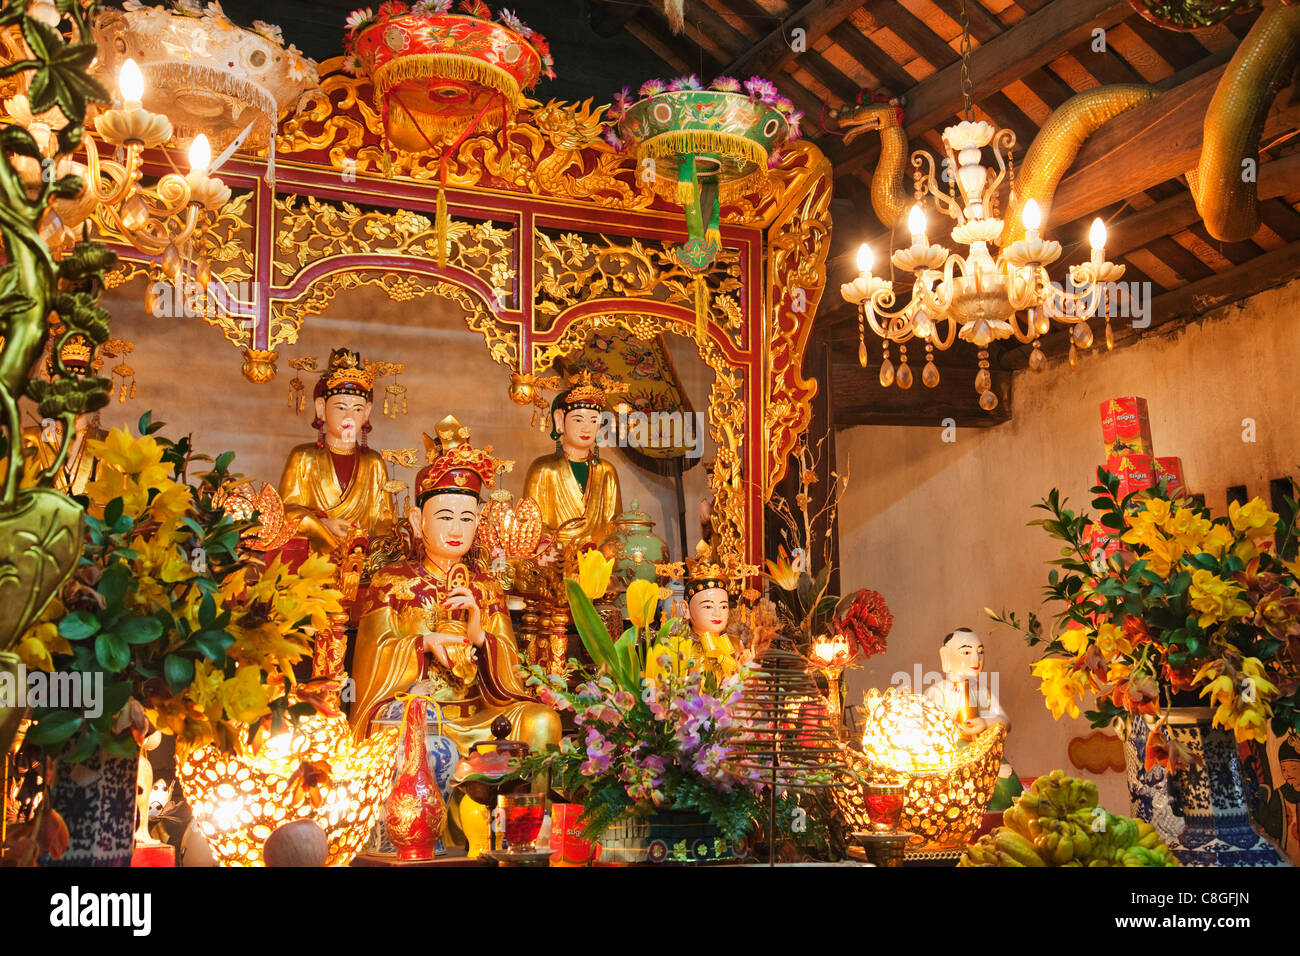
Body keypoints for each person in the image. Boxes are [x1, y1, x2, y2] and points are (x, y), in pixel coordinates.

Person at [349, 414, 560, 759]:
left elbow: (510, 672)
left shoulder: (486, 586)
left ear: (479, 521)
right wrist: (423, 643)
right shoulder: (393, 582)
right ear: (418, 522)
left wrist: (481, 637)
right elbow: (372, 661)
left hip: (479, 717)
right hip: (421, 718)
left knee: (541, 721)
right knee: (414, 730)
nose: (456, 529)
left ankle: (524, 812)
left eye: (466, 518)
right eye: (445, 517)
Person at [278, 348, 394, 558]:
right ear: (321, 408)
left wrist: (366, 542)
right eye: (341, 408)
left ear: (367, 412)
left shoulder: (374, 463)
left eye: (358, 409)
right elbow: (285, 512)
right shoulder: (303, 457)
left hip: (362, 559)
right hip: (313, 561)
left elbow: (384, 521)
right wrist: (323, 524)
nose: (349, 416)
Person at [522, 370, 623, 551]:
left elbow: (613, 527)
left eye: (594, 421)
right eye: (578, 419)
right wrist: (559, 545)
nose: (586, 428)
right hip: (556, 561)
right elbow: (530, 525)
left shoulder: (606, 471)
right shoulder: (543, 469)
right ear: (560, 421)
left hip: (597, 564)